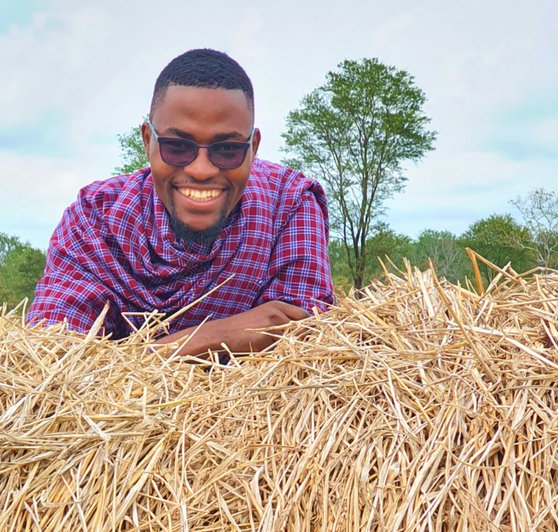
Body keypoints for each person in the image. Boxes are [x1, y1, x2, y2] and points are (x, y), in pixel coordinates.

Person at [27, 48, 335, 355]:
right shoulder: (95, 218)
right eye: (177, 147)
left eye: (227, 149)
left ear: (253, 148)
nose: (201, 170)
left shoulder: (289, 204)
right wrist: (209, 338)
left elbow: (305, 351)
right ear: (148, 141)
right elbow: (54, 362)